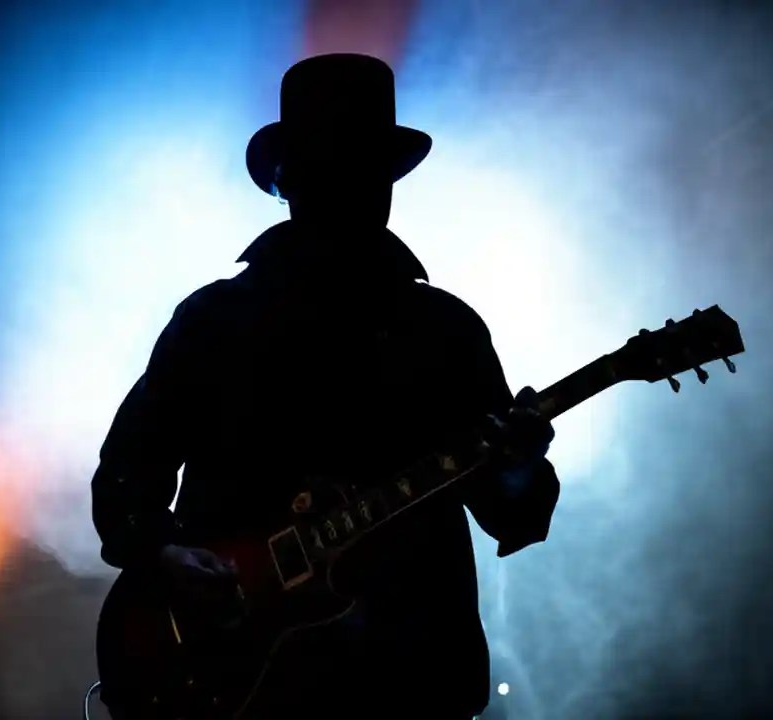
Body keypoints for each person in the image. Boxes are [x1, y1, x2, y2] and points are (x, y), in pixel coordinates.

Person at [91, 53, 560, 719]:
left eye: (366, 167)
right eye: (329, 163)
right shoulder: (215, 318)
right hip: (248, 682)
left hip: (409, 672)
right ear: (289, 180)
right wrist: (163, 554)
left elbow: (509, 513)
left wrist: (518, 467)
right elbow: (126, 474)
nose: (351, 185)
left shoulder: (445, 329)